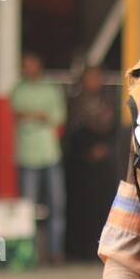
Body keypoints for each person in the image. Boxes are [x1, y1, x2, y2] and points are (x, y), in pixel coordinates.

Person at [11, 52, 67, 264]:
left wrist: (32, 116)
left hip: (50, 153)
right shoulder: (18, 90)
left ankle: (55, 252)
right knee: (28, 208)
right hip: (27, 155)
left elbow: (57, 117)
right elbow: (18, 113)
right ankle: (30, 252)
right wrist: (40, 116)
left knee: (56, 205)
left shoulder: (50, 89)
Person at [64, 62, 117, 261]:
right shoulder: (75, 102)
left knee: (103, 206)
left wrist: (105, 148)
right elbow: (73, 131)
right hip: (81, 164)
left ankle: (102, 248)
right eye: (90, 77)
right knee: (81, 207)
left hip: (103, 165)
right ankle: (79, 251)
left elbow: (114, 130)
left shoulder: (108, 102)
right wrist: (87, 150)